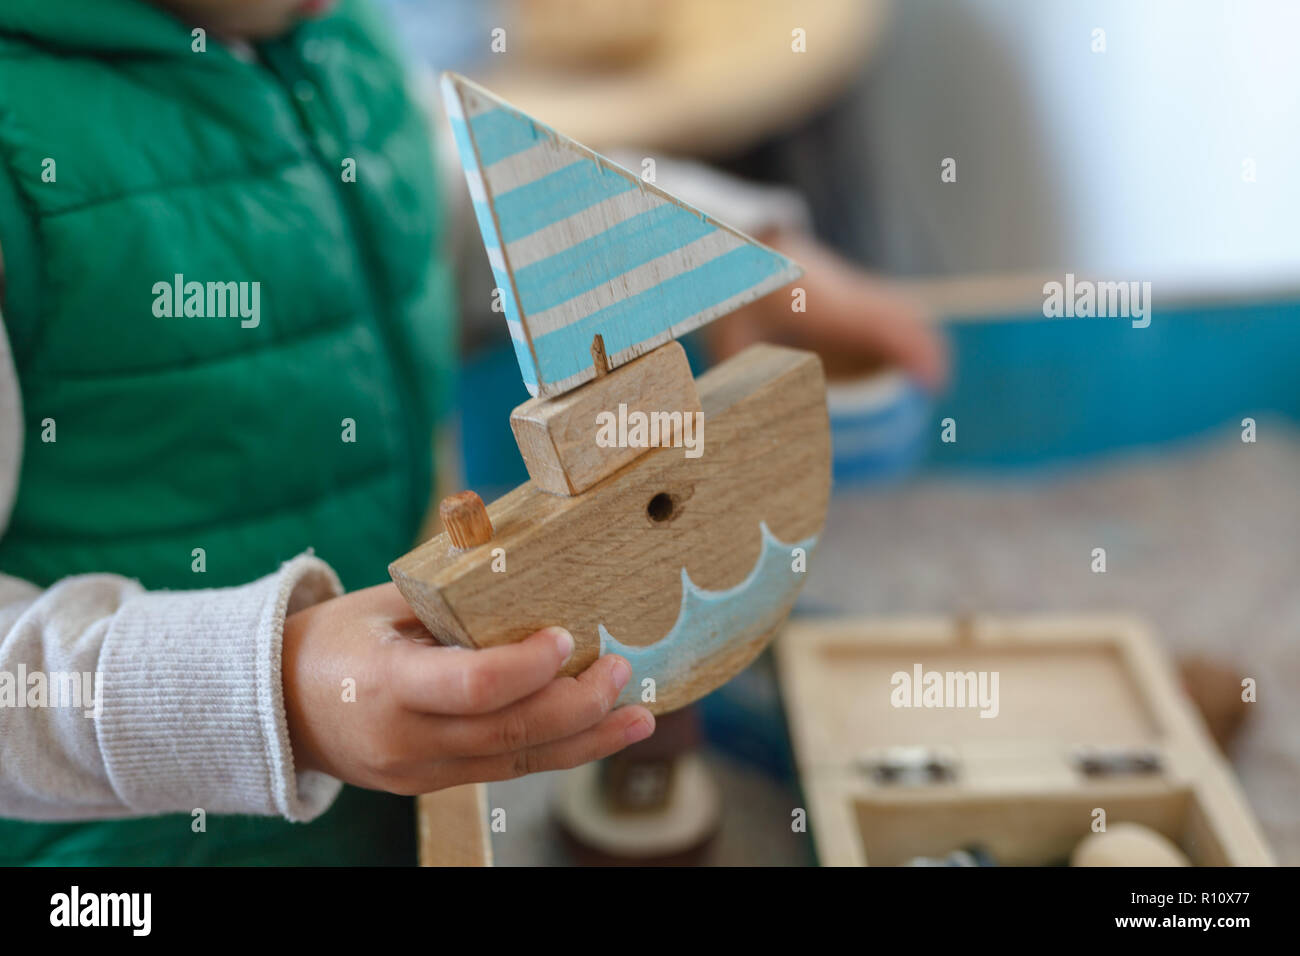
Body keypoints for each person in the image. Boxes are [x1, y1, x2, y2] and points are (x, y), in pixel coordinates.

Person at [0, 0, 945, 865]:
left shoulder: (322, 37)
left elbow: (424, 195)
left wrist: (714, 257)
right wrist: (279, 692)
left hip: (391, 804)